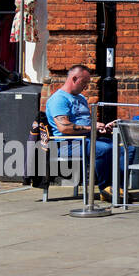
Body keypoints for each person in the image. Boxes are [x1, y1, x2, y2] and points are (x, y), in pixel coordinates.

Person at [45, 64, 114, 194]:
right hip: (66, 144)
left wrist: (99, 127)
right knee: (104, 149)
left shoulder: (81, 98)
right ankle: (106, 188)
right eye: (84, 82)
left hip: (85, 139)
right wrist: (91, 127)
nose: (86, 86)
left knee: (120, 147)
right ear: (74, 79)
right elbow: (64, 127)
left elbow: (85, 122)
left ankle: (117, 186)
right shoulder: (59, 99)